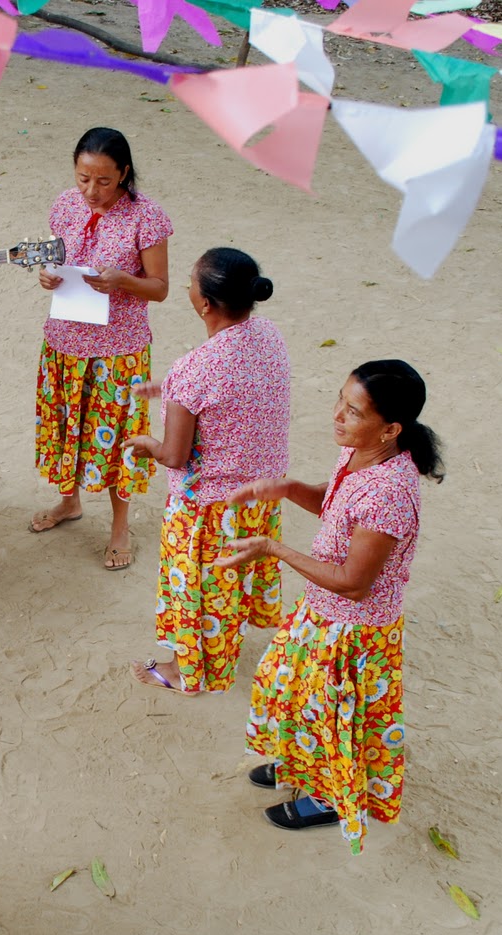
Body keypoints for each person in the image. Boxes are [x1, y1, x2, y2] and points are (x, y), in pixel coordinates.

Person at [218, 360, 443, 853]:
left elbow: (354, 584)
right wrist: (284, 487)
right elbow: (335, 503)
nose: (338, 415)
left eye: (353, 410)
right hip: (324, 612)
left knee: (333, 712)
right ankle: (301, 761)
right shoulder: (360, 451)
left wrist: (273, 549)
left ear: (392, 428)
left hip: (353, 628)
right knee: (296, 690)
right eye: (340, 399)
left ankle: (328, 799)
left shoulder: (390, 493)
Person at [123, 248, 289, 694]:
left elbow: (175, 456)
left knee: (197, 592)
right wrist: (169, 388)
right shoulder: (268, 335)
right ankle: (229, 636)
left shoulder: (194, 370)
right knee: (232, 580)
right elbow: (233, 390)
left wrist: (147, 444)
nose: (188, 287)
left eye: (192, 282)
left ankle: (185, 672)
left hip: (208, 512)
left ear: (205, 304)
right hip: (259, 498)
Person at [32, 127, 171, 571]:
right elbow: (57, 261)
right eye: (83, 179)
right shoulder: (65, 205)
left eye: (104, 181)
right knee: (68, 426)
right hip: (65, 341)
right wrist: (48, 276)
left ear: (124, 174)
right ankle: (69, 501)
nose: (91, 191)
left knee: (116, 442)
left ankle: (119, 528)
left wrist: (123, 281)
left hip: (119, 351)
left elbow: (161, 288)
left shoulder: (146, 217)